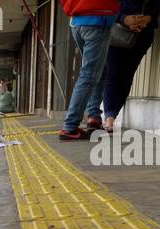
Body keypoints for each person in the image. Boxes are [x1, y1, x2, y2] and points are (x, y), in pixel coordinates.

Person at [59, 0, 122, 141]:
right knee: (89, 75)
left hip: (77, 21)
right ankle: (70, 127)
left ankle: (94, 116)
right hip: (97, 18)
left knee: (99, 70)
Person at [103, 0, 160, 132]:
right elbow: (107, 7)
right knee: (112, 74)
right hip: (117, 32)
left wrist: (146, 19)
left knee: (126, 76)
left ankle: (113, 114)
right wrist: (124, 19)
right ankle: (109, 117)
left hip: (142, 35)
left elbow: (155, 8)